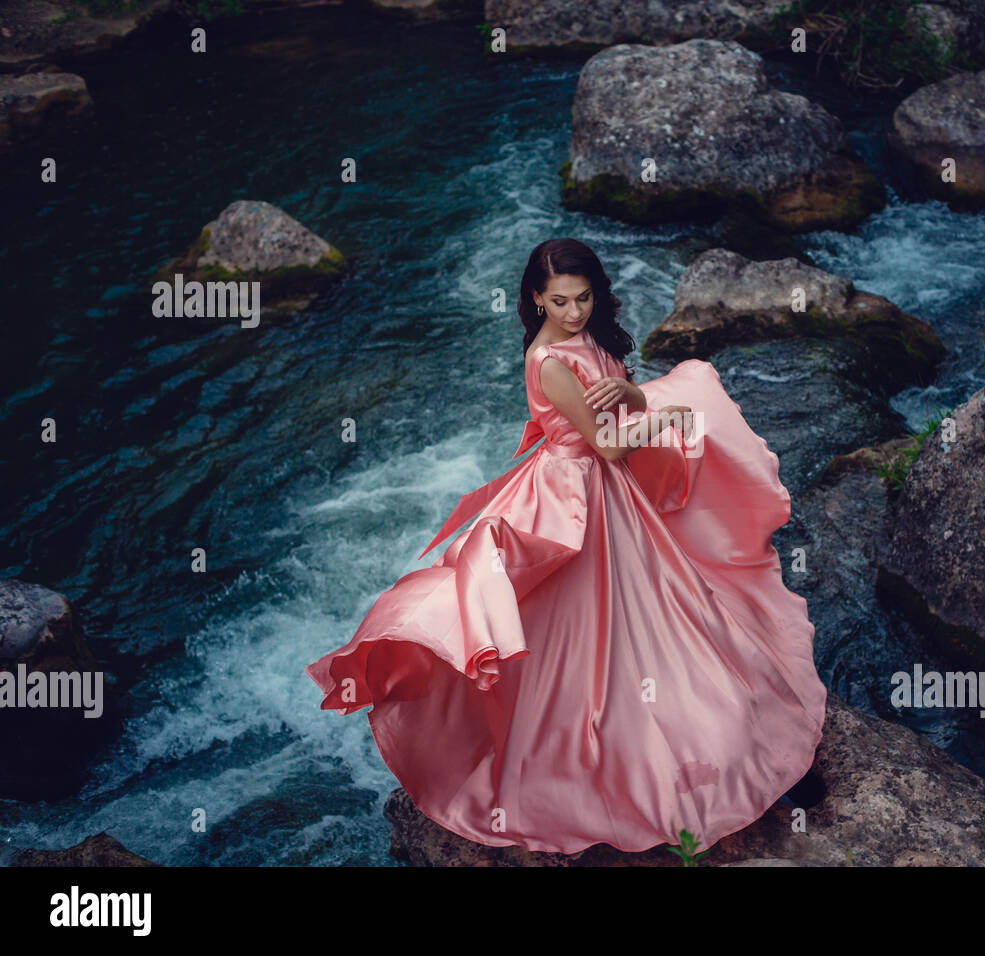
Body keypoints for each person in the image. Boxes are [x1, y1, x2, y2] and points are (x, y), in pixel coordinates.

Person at [306, 237, 827, 856]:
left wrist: (637, 399)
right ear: (535, 299)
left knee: (656, 609)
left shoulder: (591, 338)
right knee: (584, 623)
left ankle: (699, 722)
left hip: (610, 492)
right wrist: (667, 416)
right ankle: (592, 762)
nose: (574, 313)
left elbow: (622, 399)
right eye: (560, 302)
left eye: (583, 299)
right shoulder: (550, 361)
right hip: (578, 488)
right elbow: (607, 446)